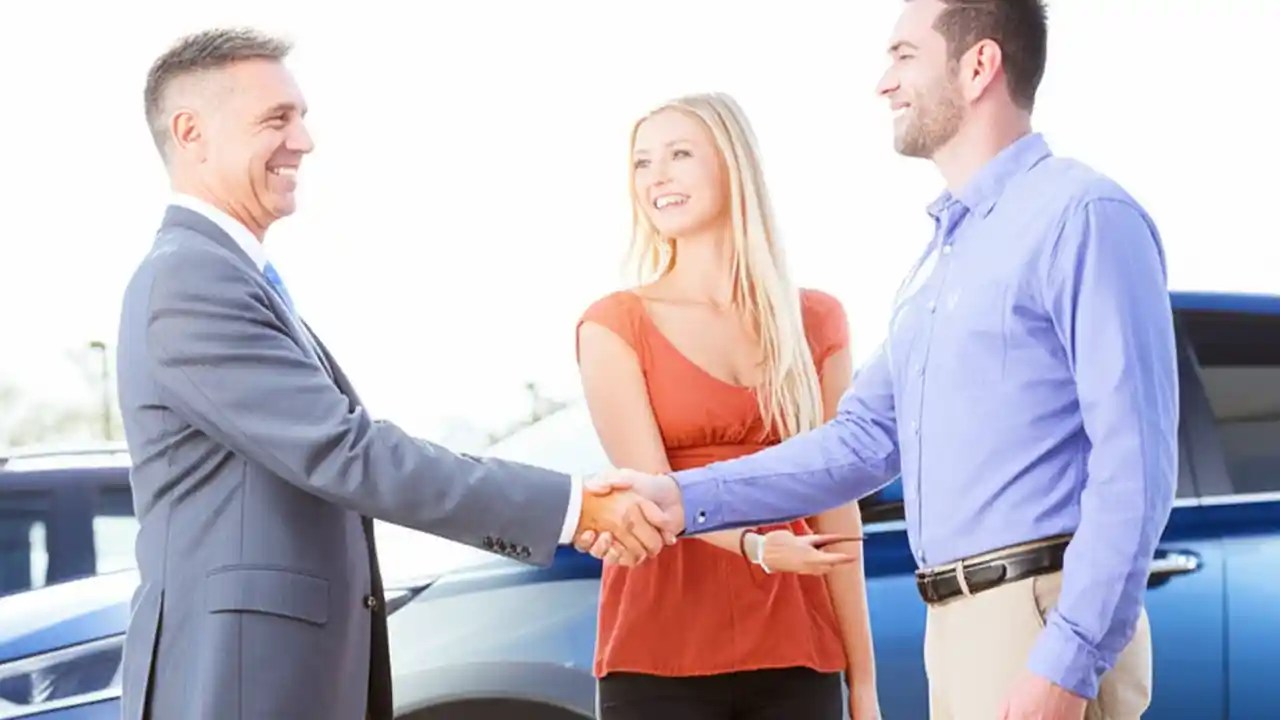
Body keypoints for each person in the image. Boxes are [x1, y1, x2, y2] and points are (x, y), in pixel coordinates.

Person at [578, 1, 1178, 719]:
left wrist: (1067, 662)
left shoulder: (1081, 216)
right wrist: (680, 497)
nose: (884, 82)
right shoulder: (945, 261)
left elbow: (1135, 465)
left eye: (904, 56)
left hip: (1036, 613)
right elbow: (861, 441)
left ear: (979, 67)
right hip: (957, 624)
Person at [116, 27, 666, 720]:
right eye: (276, 119)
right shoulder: (192, 280)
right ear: (190, 132)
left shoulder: (221, 274)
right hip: (239, 681)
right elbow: (347, 453)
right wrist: (572, 507)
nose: (303, 141)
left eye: (301, 117)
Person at [572, 93, 880, 719]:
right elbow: (656, 496)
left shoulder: (815, 320)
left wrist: (864, 684)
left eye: (679, 154)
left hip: (797, 642)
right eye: (642, 162)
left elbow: (838, 499)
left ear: (732, 165)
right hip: (660, 648)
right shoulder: (613, 325)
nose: (657, 176)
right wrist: (759, 549)